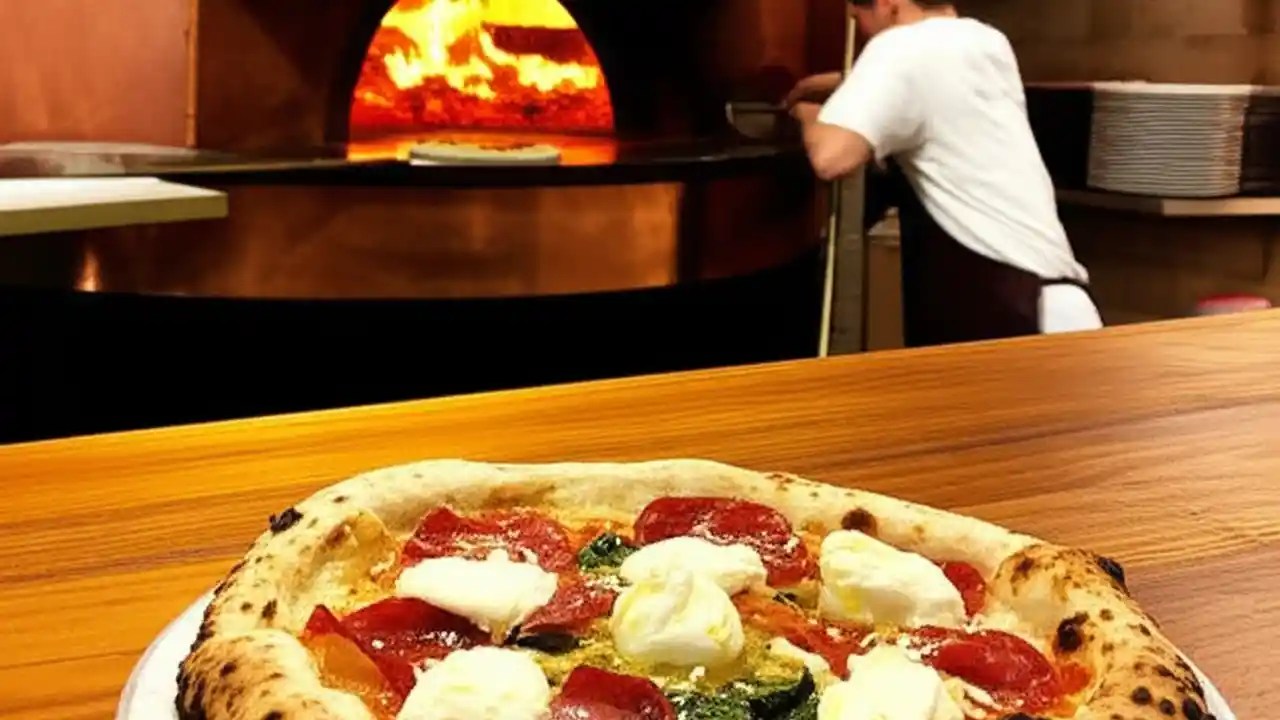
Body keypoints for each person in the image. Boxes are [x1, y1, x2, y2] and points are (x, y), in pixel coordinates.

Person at [784, 0, 1103, 348]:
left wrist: (807, 116)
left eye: (859, 15)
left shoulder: (899, 48)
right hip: (1062, 305)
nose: (859, 28)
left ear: (889, 5)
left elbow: (831, 156)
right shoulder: (986, 41)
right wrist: (847, 82)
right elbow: (926, 81)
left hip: (1010, 316)